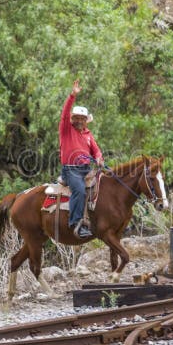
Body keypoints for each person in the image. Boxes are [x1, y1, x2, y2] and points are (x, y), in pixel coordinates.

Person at [60, 79, 103, 238]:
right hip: (71, 169)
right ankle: (76, 223)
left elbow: (96, 151)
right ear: (72, 119)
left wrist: (98, 157)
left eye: (82, 118)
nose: (79, 121)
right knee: (78, 190)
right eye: (76, 118)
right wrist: (72, 95)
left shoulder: (88, 134)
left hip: (86, 169)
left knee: (105, 186)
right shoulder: (66, 129)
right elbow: (65, 113)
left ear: (86, 121)